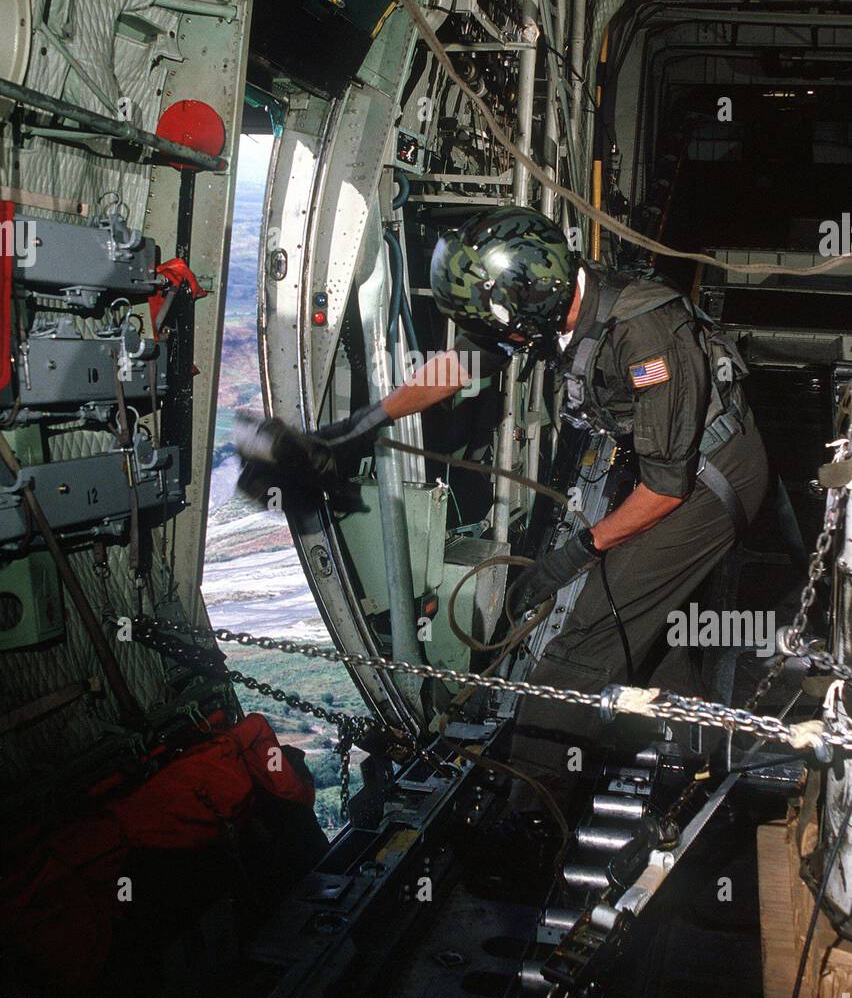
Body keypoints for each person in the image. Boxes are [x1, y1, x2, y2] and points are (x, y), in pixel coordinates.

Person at [236, 206, 769, 782]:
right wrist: (352, 431)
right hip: (667, 468)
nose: (502, 342)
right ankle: (695, 750)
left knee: (584, 643)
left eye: (504, 331)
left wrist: (571, 557)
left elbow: (666, 490)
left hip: (708, 484)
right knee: (637, 619)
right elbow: (459, 364)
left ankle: (529, 816)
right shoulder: (550, 302)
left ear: (530, 306)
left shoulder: (644, 335)